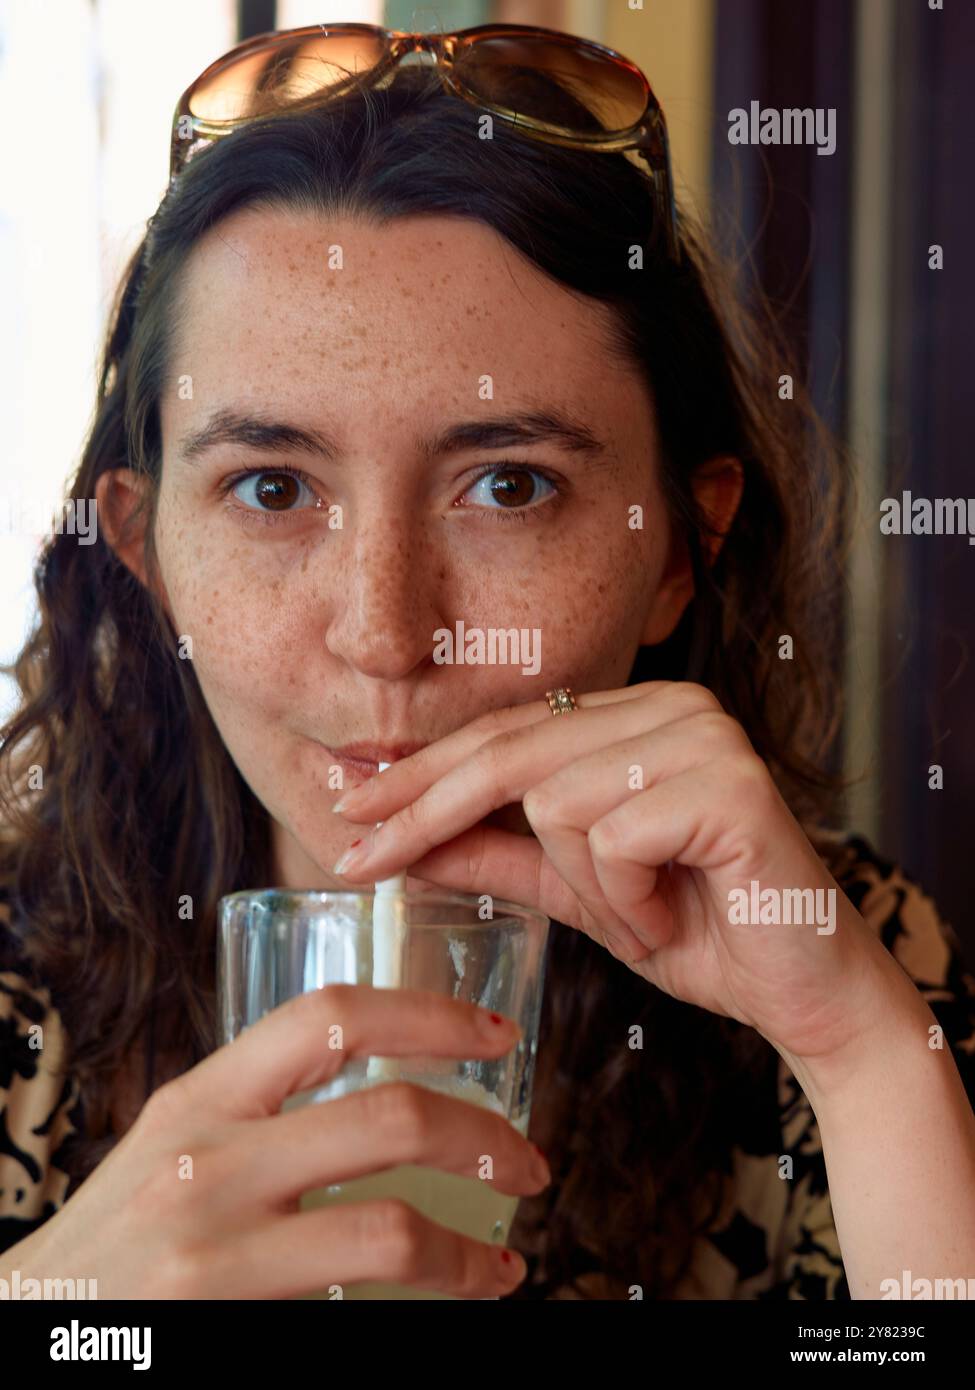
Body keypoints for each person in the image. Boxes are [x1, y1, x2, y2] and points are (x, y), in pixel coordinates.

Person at [1, 23, 974, 1301]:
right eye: (274, 486)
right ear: (150, 552)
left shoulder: (852, 959)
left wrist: (863, 1056)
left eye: (509, 485)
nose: (386, 631)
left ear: (685, 544)